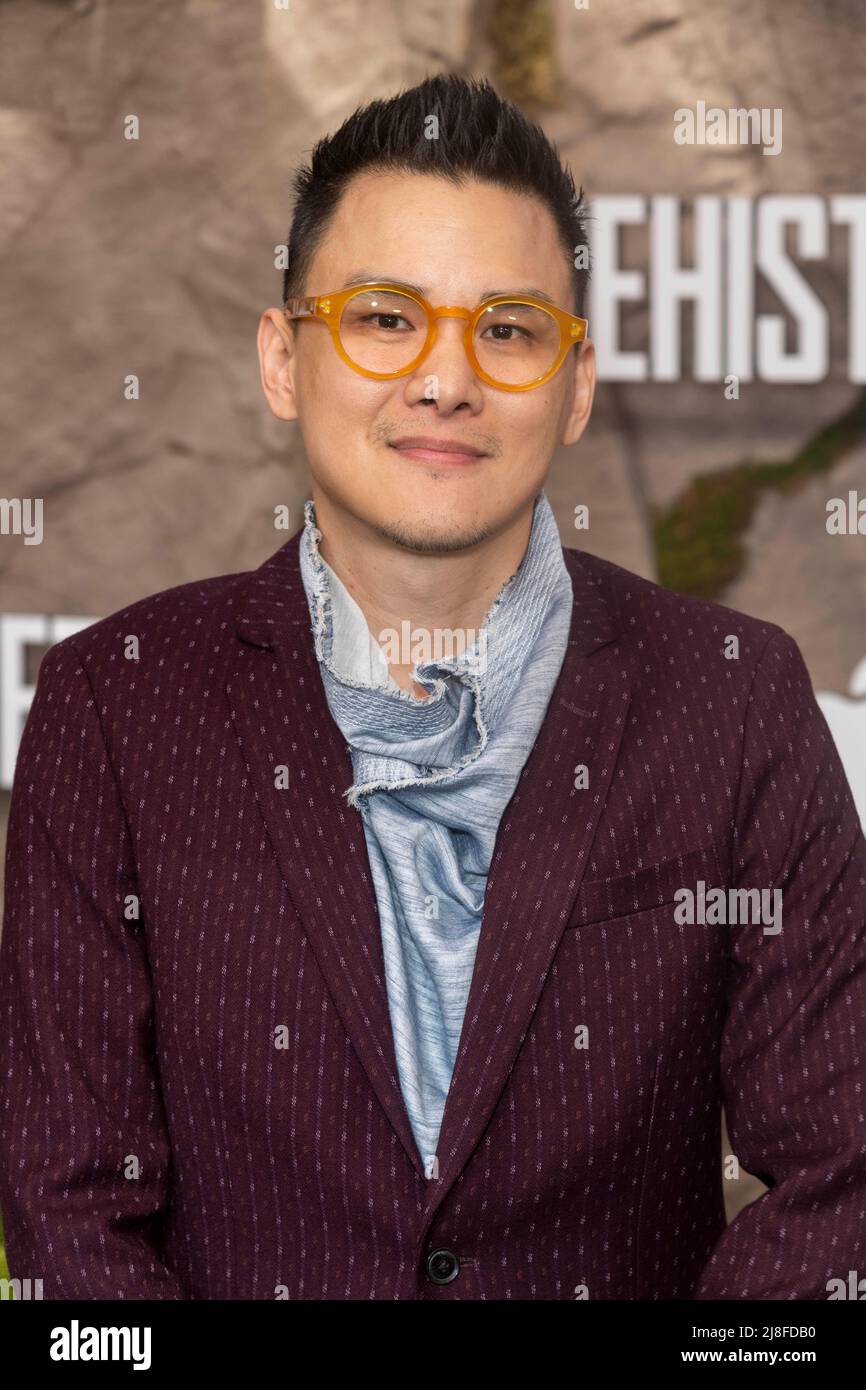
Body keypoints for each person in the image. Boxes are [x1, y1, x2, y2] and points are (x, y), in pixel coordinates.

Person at [1, 73, 864, 1301]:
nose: (446, 378)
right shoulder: (114, 707)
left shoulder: (732, 700)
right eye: (384, 318)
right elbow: (65, 1209)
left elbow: (843, 1174)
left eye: (507, 329)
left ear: (573, 386)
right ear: (282, 359)